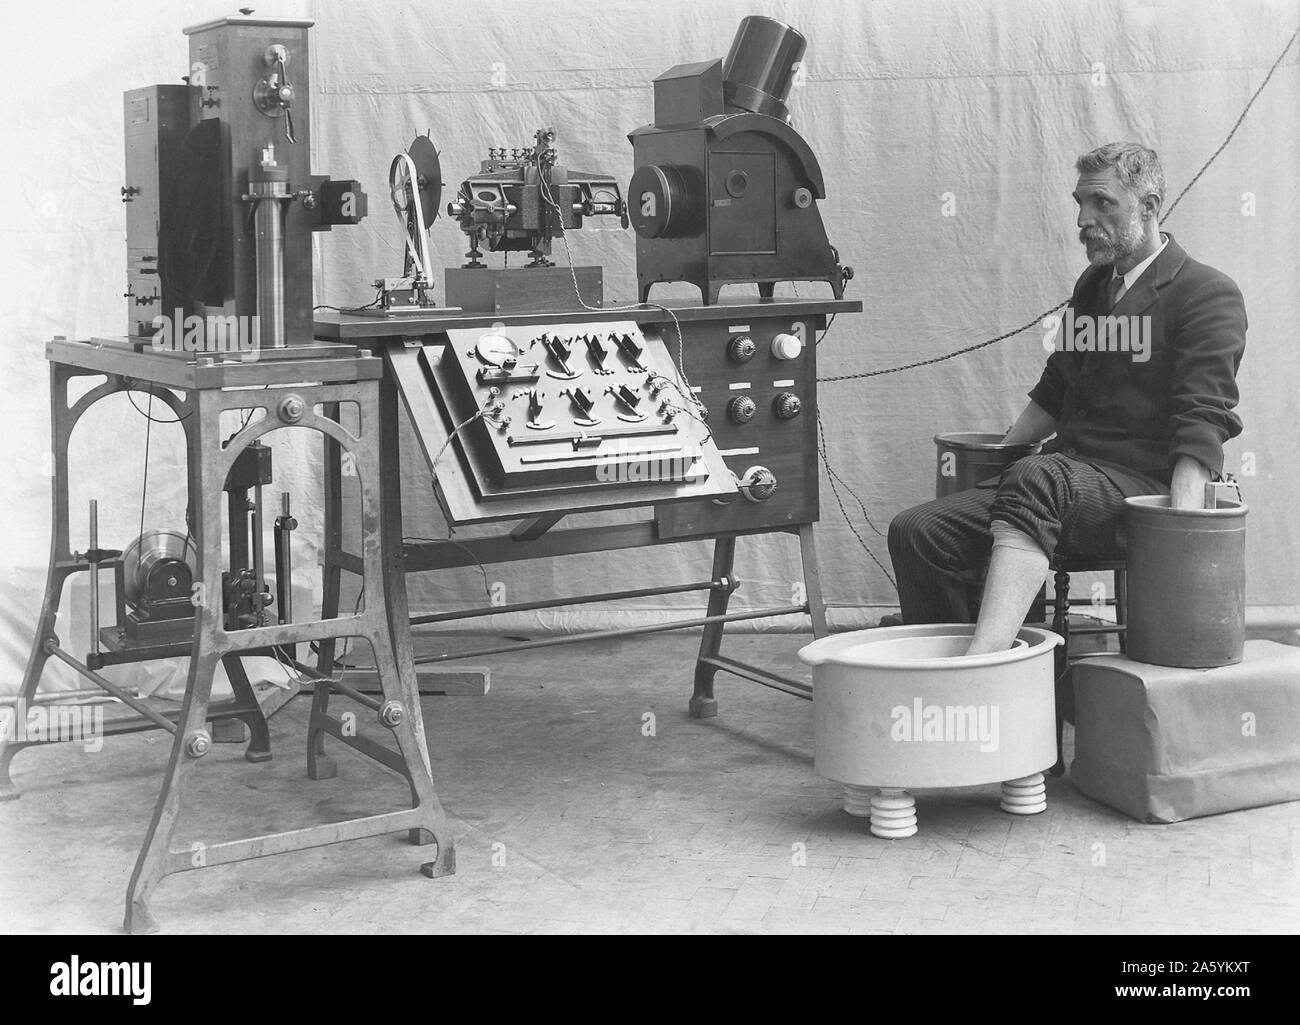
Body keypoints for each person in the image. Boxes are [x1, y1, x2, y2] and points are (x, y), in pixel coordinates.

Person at [887, 141, 1247, 654]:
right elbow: (1057, 389)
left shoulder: (1206, 293)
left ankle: (978, 671)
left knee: (1037, 476)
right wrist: (996, 457)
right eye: (1080, 203)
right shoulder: (1095, 286)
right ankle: (969, 679)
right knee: (918, 529)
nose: (1084, 218)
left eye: (1103, 203)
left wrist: (1178, 534)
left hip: (1142, 491)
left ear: (1147, 207)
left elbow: (1201, 421)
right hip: (1062, 482)